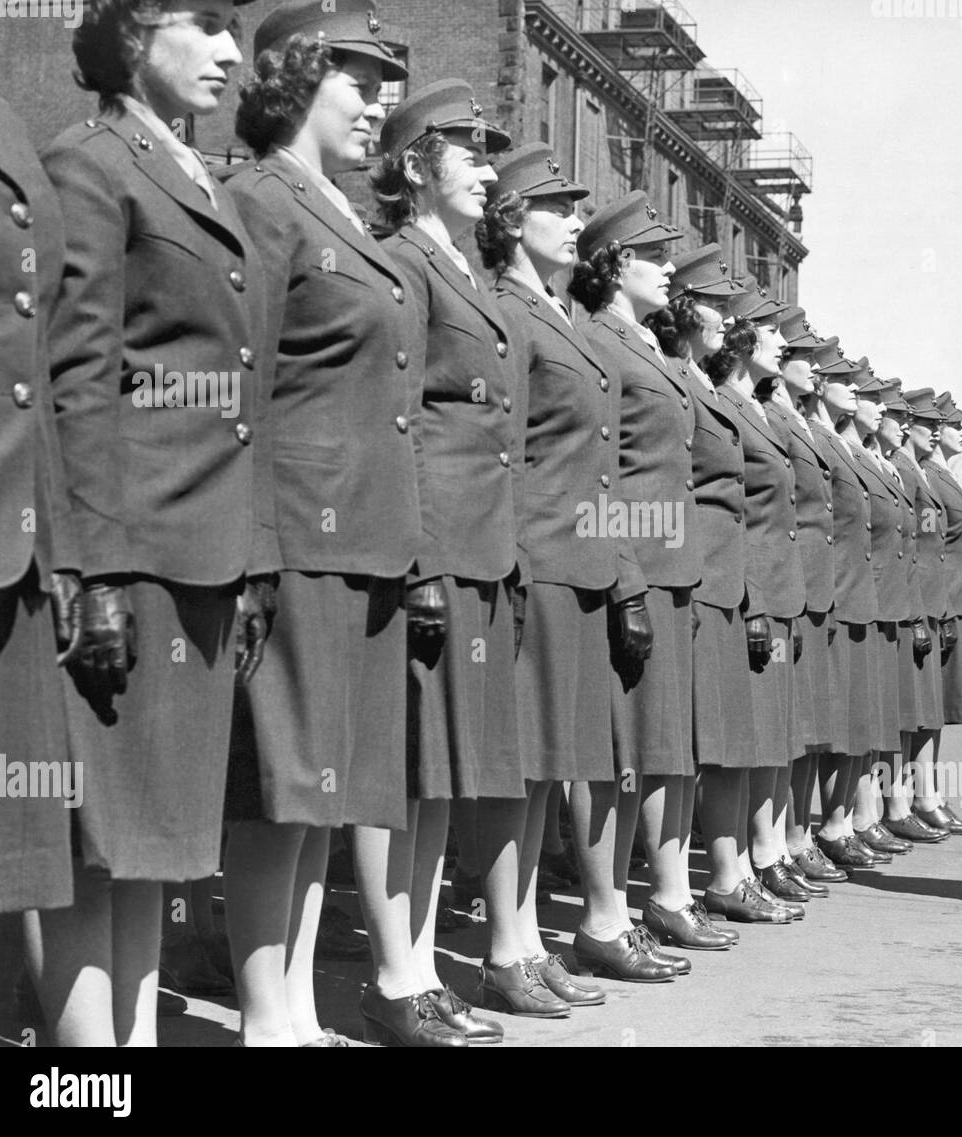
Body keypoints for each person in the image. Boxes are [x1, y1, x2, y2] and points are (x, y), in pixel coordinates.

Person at [32, 0, 271, 1046]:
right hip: (131, 548)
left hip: (205, 549)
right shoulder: (89, 164)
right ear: (133, 37)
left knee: (158, 842)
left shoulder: (196, 172)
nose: (232, 52)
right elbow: (78, 381)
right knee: (98, 841)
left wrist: (254, 553)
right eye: (205, 22)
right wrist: (92, 570)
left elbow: (237, 388)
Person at [219, 0, 421, 1047]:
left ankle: (295, 1011)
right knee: (281, 792)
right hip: (297, 533)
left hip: (363, 541)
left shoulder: (333, 208)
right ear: (296, 77)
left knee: (323, 799)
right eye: (360, 79)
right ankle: (266, 1021)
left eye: (387, 82)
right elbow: (237, 385)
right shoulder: (260, 200)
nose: (379, 103)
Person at [355, 78, 521, 1043]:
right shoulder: (403, 262)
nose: (491, 169)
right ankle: (391, 974)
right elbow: (401, 416)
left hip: (474, 546)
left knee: (438, 772)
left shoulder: (451, 263)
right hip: (430, 545)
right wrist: (415, 551)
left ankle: (416, 965)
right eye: (472, 151)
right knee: (401, 769)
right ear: (417, 162)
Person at [475, 140, 613, 1008]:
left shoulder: (557, 313)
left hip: (577, 562)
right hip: (531, 558)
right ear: (513, 220)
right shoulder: (508, 312)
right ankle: (500, 946)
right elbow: (504, 452)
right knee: (517, 762)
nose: (574, 223)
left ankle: (525, 936)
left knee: (549, 763)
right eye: (557, 208)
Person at [568, 190, 696, 979]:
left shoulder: (641, 343)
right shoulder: (599, 343)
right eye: (654, 255)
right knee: (607, 752)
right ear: (615, 265)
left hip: (668, 564)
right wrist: (625, 577)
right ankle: (601, 916)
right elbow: (602, 473)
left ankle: (624, 909)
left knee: (644, 751)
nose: (670, 266)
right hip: (628, 562)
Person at [646, 245, 785, 927]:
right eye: (717, 306)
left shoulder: (701, 384)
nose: (727, 321)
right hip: (692, 577)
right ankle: (676, 888)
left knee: (723, 741)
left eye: (733, 311)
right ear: (684, 307)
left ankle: (727, 876)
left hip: (726, 582)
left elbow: (743, 511)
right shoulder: (681, 380)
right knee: (680, 745)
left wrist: (752, 596)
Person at [0, 77, 78, 928]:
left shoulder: (4, 113)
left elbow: (39, 359)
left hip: (15, 535)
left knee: (16, 844)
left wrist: (64, 548)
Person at [708, 290, 810, 918]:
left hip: (777, 592)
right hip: (750, 593)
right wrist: (751, 599)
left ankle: (758, 861)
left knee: (768, 733)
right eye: (772, 333)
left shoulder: (762, 411)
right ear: (743, 339)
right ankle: (732, 873)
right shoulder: (726, 405)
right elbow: (732, 515)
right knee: (740, 739)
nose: (783, 344)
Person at [766, 319, 851, 889]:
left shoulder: (799, 420)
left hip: (809, 588)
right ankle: (772, 846)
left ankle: (789, 840)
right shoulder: (772, 415)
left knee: (800, 728)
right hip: (777, 585)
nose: (816, 368)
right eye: (806, 356)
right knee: (780, 728)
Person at [807, 354, 890, 871]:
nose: (862, 398)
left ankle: (841, 823)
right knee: (818, 729)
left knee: (854, 724)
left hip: (856, 595)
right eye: (847, 385)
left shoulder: (839, 443)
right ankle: (810, 834)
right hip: (829, 594)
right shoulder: (820, 439)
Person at [842, 371, 914, 859]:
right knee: (843, 723)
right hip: (845, 597)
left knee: (874, 718)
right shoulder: (844, 450)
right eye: (877, 402)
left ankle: (857, 818)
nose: (891, 417)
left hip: (881, 600)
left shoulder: (887, 463)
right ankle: (839, 823)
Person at [891, 389, 962, 835]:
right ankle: (907, 801)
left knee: (929, 708)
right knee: (913, 708)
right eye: (935, 422)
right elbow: (920, 550)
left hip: (941, 601)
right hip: (920, 603)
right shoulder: (913, 473)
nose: (945, 429)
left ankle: (924, 796)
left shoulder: (925, 473)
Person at [874, 380, 948, 845]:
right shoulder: (899, 467)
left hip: (920, 601)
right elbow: (913, 550)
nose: (935, 432)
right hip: (899, 601)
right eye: (924, 423)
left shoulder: (911, 471)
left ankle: (913, 800)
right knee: (897, 713)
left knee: (917, 712)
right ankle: (895, 804)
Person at [923, 391, 962, 831]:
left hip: (955, 600)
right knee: (926, 706)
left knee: (937, 707)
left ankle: (927, 793)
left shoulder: (943, 475)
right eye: (954, 425)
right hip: (941, 601)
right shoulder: (929, 477)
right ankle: (919, 797)